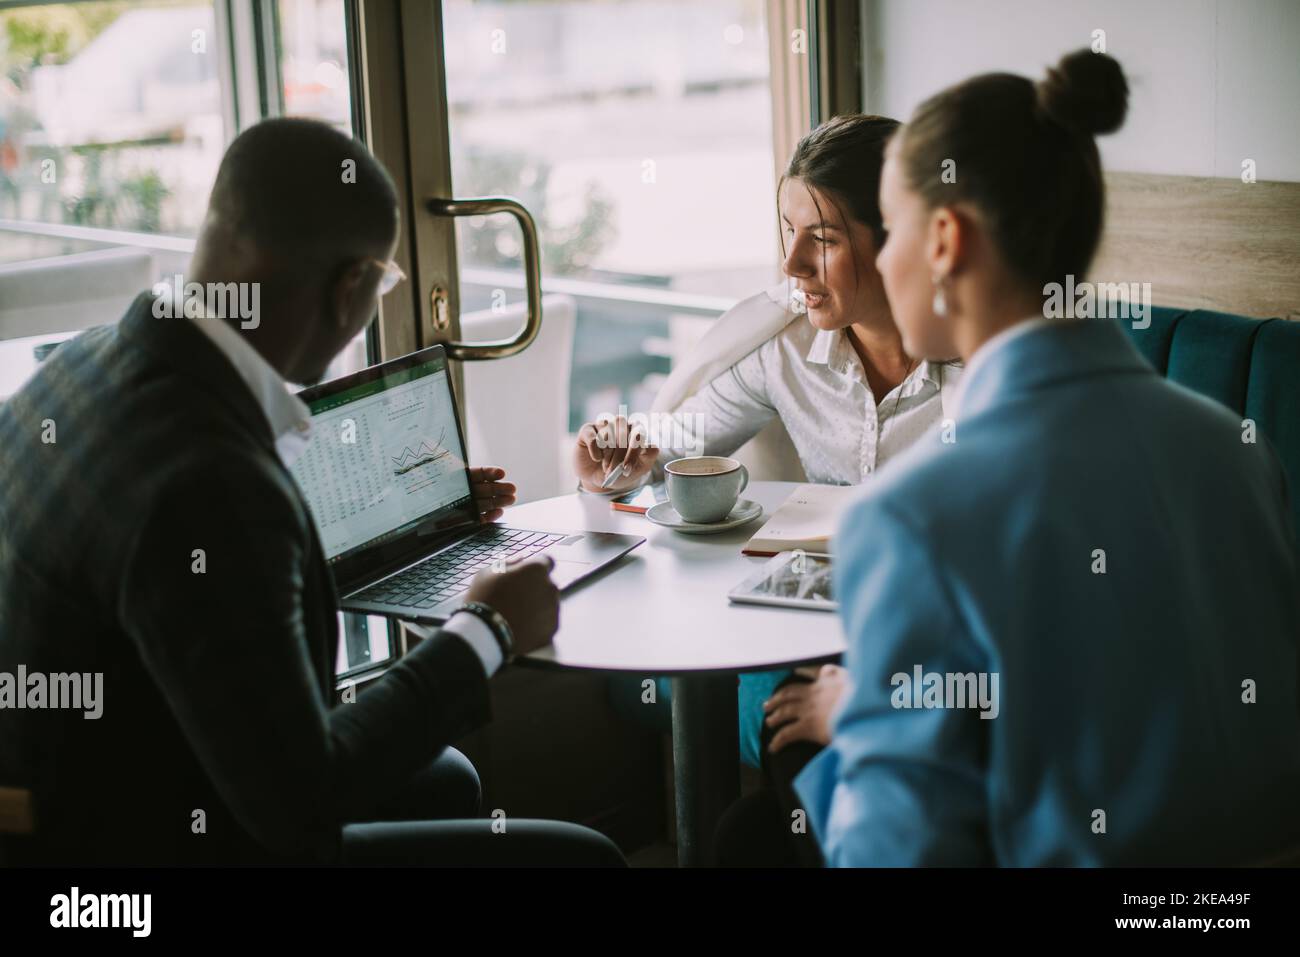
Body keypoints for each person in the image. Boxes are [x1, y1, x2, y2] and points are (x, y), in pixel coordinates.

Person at [0, 117, 622, 866]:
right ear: (350, 286)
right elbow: (303, 801)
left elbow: (205, 592)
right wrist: (487, 627)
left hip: (94, 787)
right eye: (384, 279)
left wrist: (411, 519)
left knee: (446, 779)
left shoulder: (87, 362)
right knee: (584, 858)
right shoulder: (211, 481)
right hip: (150, 847)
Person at [796, 49, 1300, 865]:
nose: (884, 261)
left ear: (946, 240)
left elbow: (898, 853)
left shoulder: (912, 517)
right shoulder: (1240, 453)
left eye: (892, 229)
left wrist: (858, 727)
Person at [572, 114, 962, 865]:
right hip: (822, 632)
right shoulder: (783, 347)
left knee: (768, 820)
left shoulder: (980, 368)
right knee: (767, 811)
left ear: (898, 240)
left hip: (944, 638)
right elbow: (684, 441)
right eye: (786, 231)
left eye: (822, 238)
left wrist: (864, 696)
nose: (792, 264)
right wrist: (619, 461)